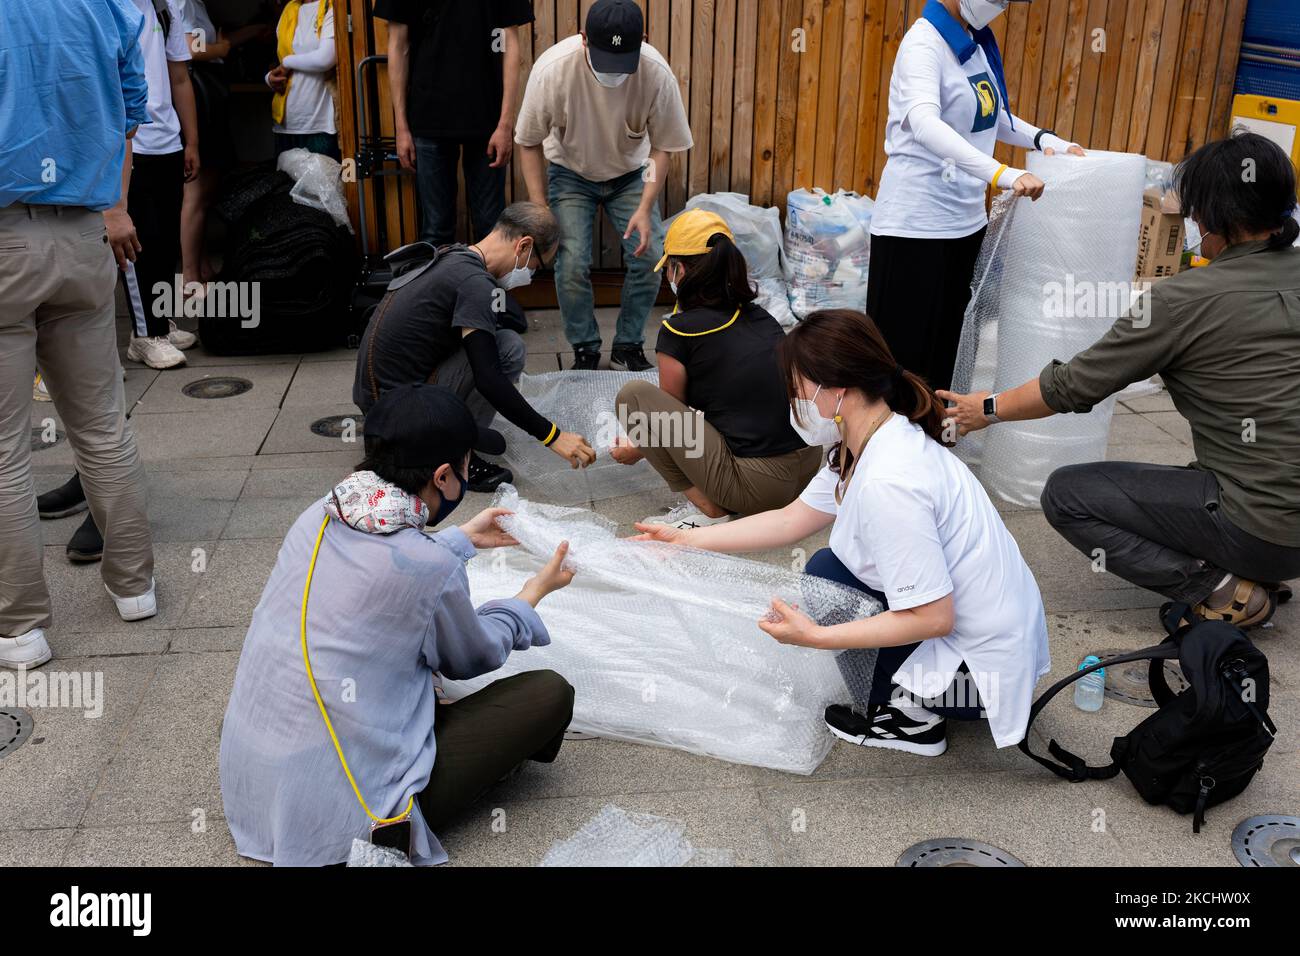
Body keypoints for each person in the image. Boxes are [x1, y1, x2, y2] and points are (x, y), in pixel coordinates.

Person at [635, 310, 1050, 756]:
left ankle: (913, 720)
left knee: (829, 578)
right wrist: (685, 541)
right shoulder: (875, 436)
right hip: (991, 647)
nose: (797, 403)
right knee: (830, 569)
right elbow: (791, 519)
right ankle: (911, 688)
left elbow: (934, 619)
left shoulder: (889, 483)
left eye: (798, 390)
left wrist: (815, 637)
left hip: (974, 681)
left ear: (837, 389)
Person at [938, 130, 1300, 630]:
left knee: (1069, 494)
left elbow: (1073, 385)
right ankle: (1257, 560)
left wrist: (988, 408)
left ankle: (1222, 589)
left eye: (1195, 212)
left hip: (1261, 528)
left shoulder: (1181, 301)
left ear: (1215, 217)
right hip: (1278, 517)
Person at [220, 384, 577, 866]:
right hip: (347, 819)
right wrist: (532, 593)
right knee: (549, 693)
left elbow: (383, 571)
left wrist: (459, 539)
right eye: (466, 465)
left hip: (256, 783)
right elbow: (474, 654)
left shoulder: (319, 514)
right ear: (444, 476)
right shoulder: (429, 567)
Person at [0, 0, 159, 670]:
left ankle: (20, 627)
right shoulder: (106, 5)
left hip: (8, 233)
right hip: (84, 231)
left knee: (5, 450)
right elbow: (132, 113)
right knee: (101, 426)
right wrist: (114, 204)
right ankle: (135, 586)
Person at [868, 0, 1084, 390]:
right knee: (903, 361)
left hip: (965, 224)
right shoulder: (924, 44)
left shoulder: (973, 44)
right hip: (915, 228)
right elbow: (924, 123)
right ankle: (898, 429)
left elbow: (991, 114)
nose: (1000, 5)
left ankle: (939, 424)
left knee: (949, 353)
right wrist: (1001, 173)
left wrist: (1045, 140)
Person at [353, 202, 596, 491]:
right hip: (400, 417)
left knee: (498, 340)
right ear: (524, 246)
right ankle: (458, 453)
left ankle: (444, 435)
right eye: (536, 266)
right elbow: (488, 378)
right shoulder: (476, 284)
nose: (530, 276)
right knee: (508, 348)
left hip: (378, 405)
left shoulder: (452, 255)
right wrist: (552, 436)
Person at [612, 210, 822, 530]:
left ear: (680, 269)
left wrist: (637, 448)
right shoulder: (760, 316)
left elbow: (669, 420)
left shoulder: (679, 331)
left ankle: (710, 510)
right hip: (807, 474)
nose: (668, 275)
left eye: (668, 267)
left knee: (634, 398)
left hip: (759, 489)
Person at [515, 0, 693, 371]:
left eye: (621, 62)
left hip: (631, 173)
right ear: (583, 39)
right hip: (570, 171)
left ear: (643, 40)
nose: (612, 73)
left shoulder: (656, 72)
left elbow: (662, 147)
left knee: (650, 255)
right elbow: (528, 141)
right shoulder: (552, 69)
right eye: (604, 60)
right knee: (571, 262)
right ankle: (585, 348)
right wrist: (540, 207)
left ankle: (628, 346)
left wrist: (645, 207)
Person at [376, 0, 535, 245]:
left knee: (491, 231)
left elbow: (510, 44)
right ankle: (442, 273)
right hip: (428, 116)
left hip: (487, 119)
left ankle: (485, 275)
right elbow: (398, 45)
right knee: (435, 231)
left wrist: (505, 124)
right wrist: (401, 127)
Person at [123, 0, 202, 371]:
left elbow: (180, 77)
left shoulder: (164, 7)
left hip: (167, 142)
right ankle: (145, 335)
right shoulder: (108, 6)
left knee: (167, 240)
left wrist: (191, 141)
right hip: (130, 143)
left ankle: (159, 324)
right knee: (140, 240)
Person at [178, 0, 265, 287]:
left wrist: (254, 30)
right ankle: (190, 277)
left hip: (205, 91)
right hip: (199, 93)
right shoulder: (182, 3)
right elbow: (191, 48)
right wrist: (222, 49)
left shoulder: (196, 4)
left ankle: (201, 267)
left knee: (205, 192)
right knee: (197, 190)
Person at [266, 0, 340, 160]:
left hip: (318, 124)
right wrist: (270, 78)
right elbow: (278, 62)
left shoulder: (331, 7)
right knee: (285, 176)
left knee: (326, 176)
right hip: (286, 124)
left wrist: (287, 63)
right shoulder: (289, 10)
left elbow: (325, 59)